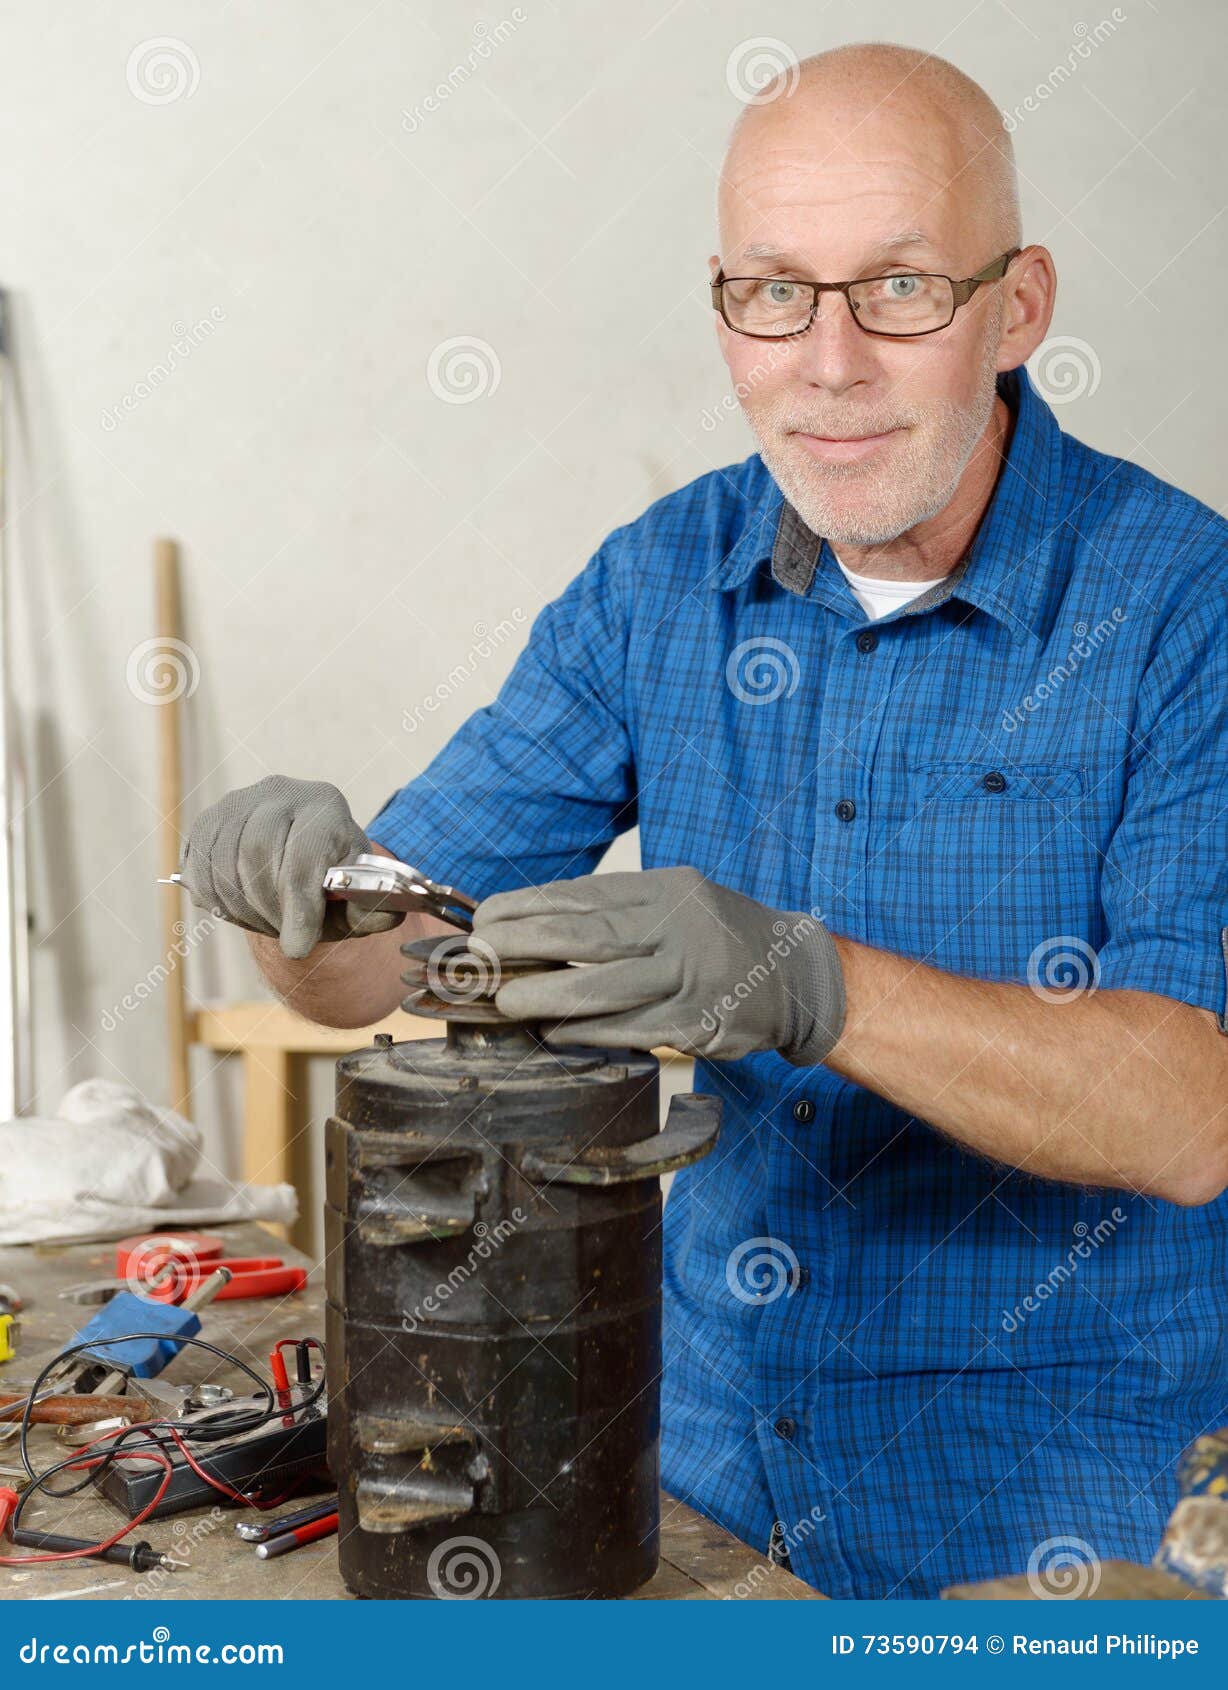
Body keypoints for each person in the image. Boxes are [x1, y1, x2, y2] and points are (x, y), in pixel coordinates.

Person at [179, 43, 1228, 1597]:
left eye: (900, 288)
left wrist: (805, 978)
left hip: (1058, 1517)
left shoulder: (1181, 611)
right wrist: (299, 898)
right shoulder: (658, 582)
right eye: (772, 291)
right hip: (693, 1483)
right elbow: (373, 969)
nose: (829, 360)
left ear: (1018, 308)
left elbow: (1190, 1113)